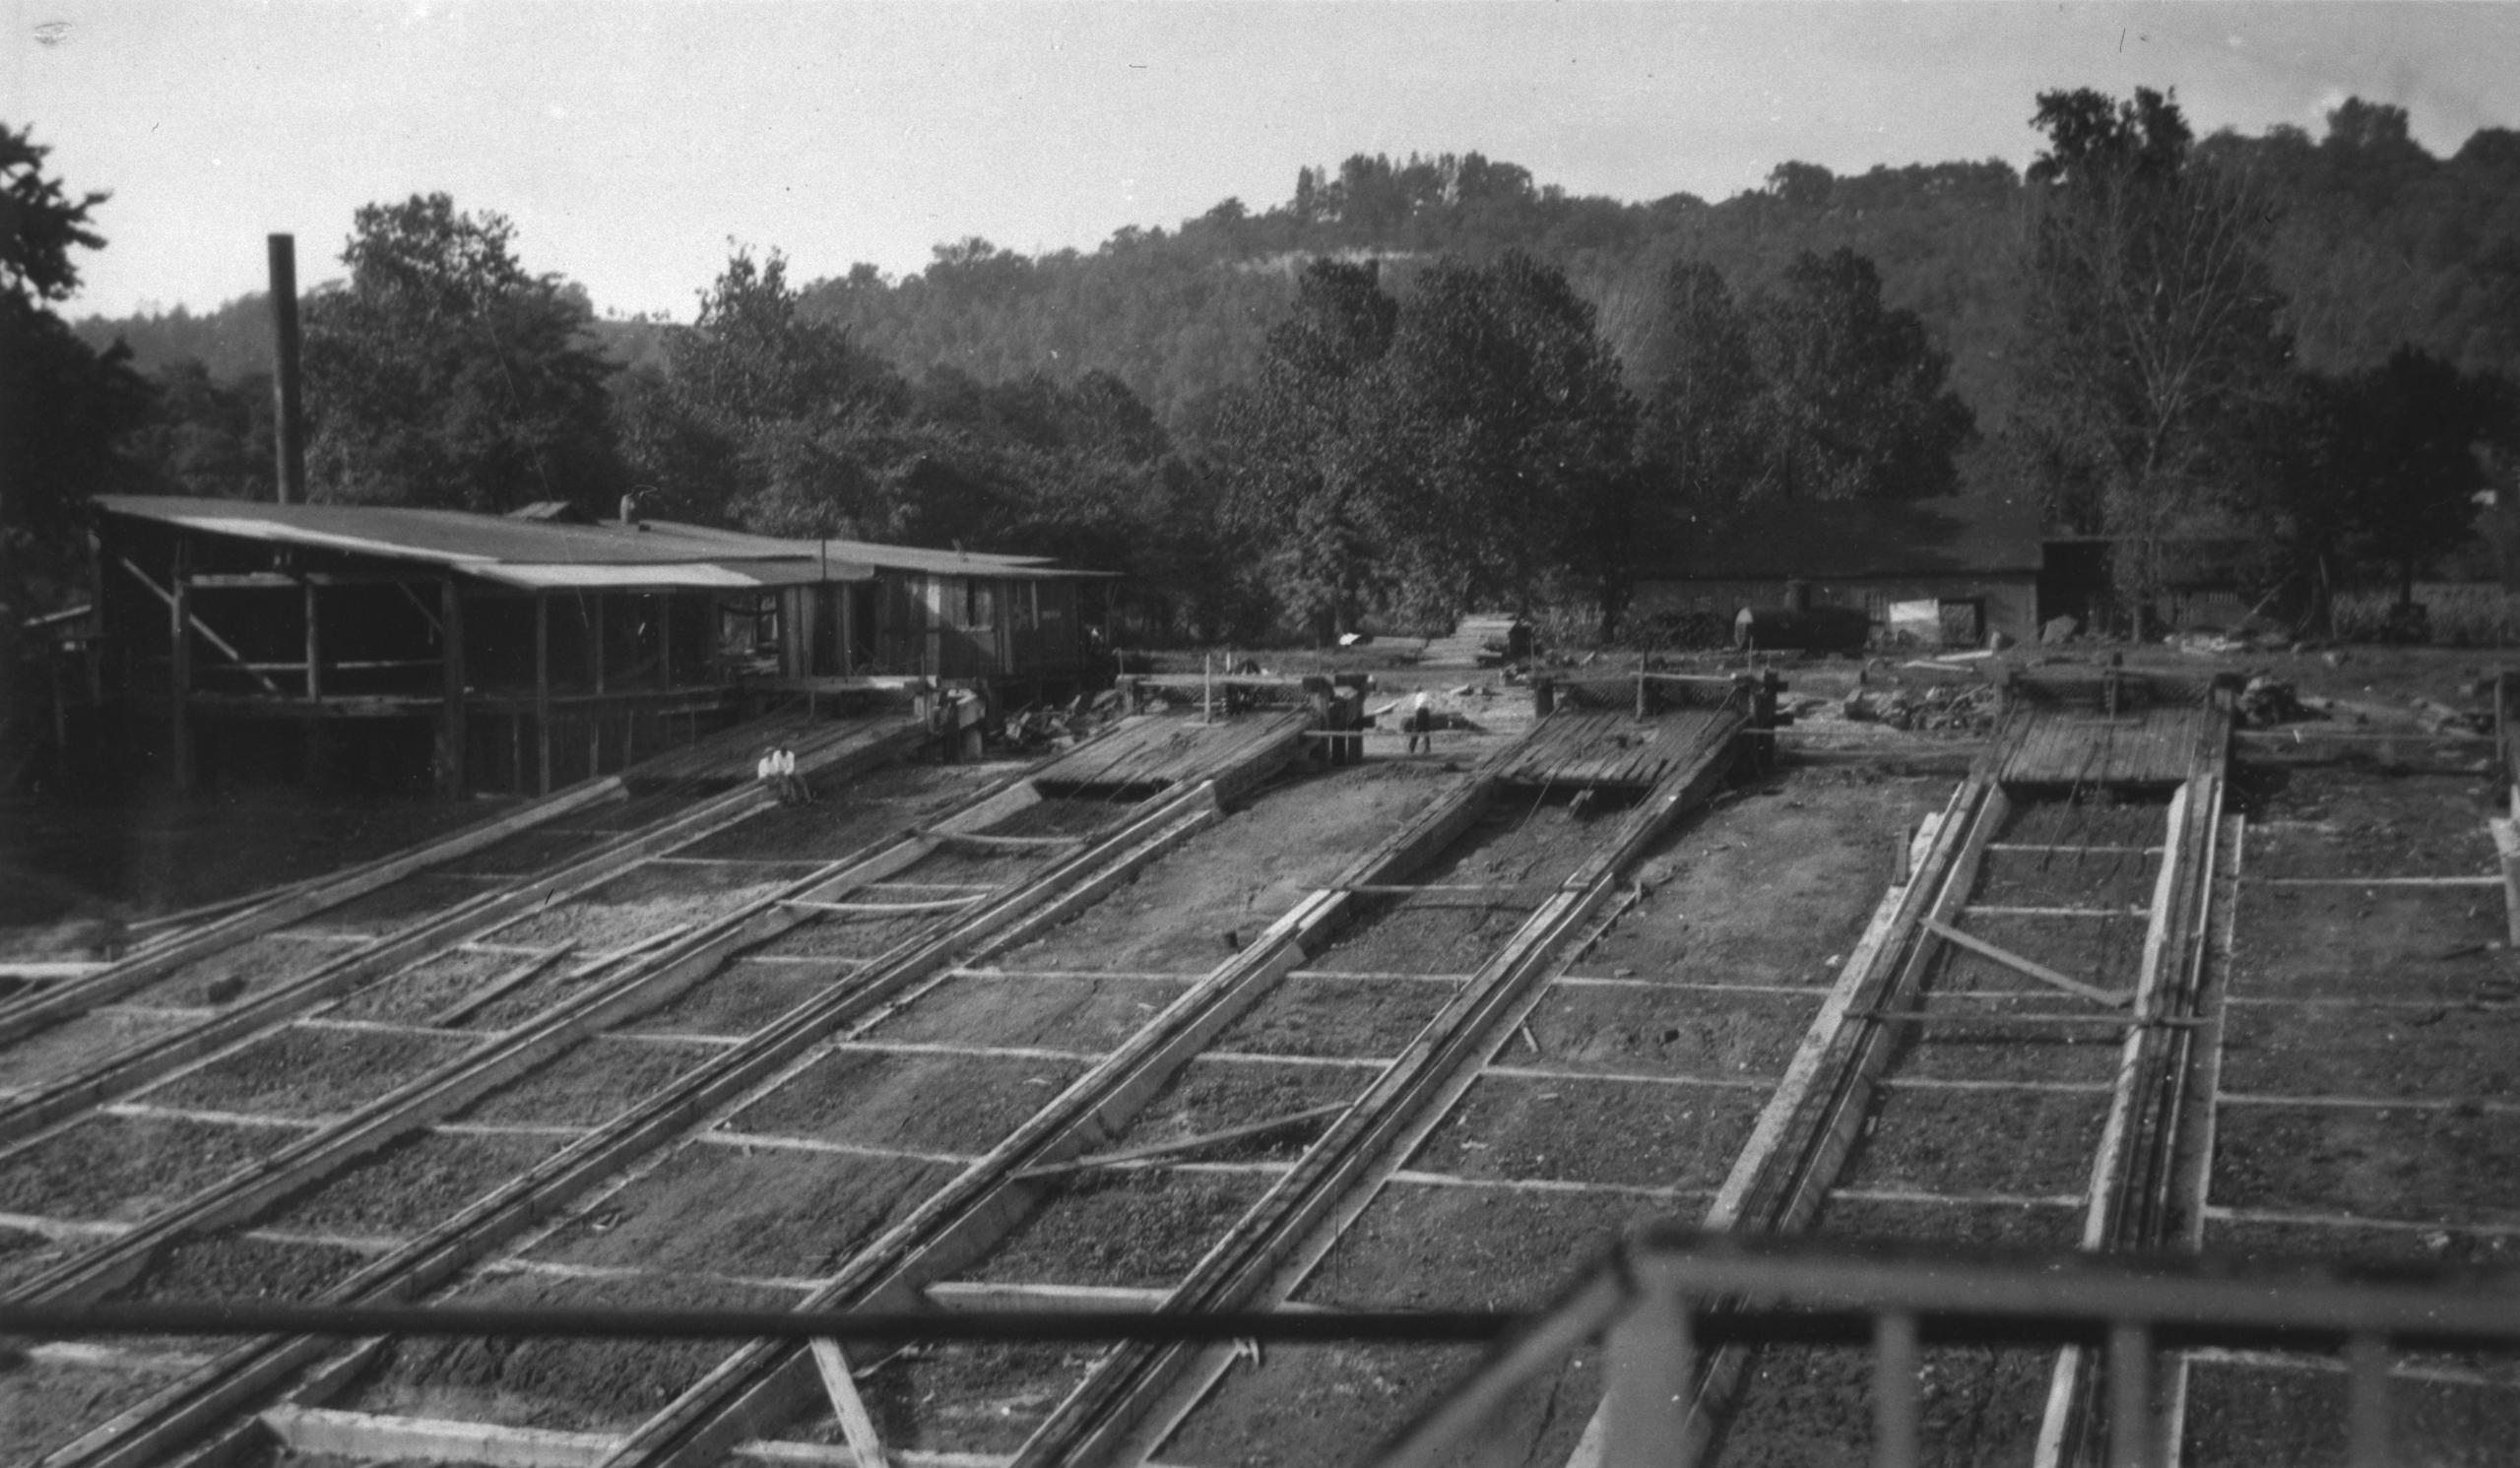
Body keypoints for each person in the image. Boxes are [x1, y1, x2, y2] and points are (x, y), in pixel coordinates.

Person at [1405, 689, 1435, 754]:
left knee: (1416, 730)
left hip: (1420, 712)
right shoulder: (1426, 695)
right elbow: (1433, 703)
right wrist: (1430, 711)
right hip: (1426, 712)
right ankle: (1427, 749)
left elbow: (1416, 707)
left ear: (1416, 691)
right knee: (1426, 730)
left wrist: (1417, 714)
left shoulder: (1417, 696)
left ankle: (1411, 749)